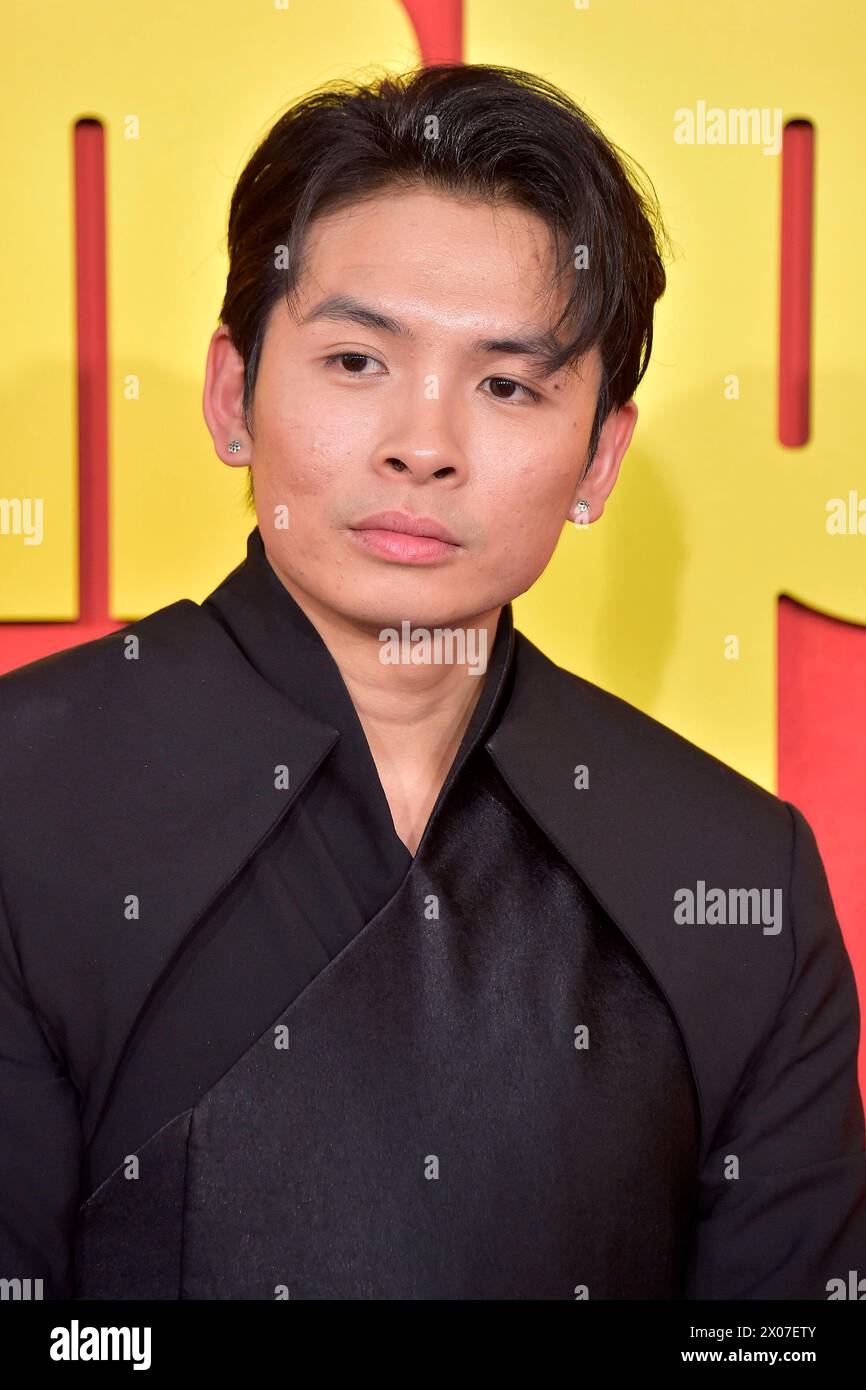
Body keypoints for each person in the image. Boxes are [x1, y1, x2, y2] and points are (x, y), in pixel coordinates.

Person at [1, 63, 864, 1302]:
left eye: (507, 384)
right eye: (357, 361)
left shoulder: (730, 872)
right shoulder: (25, 797)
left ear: (599, 457)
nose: (424, 443)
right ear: (233, 392)